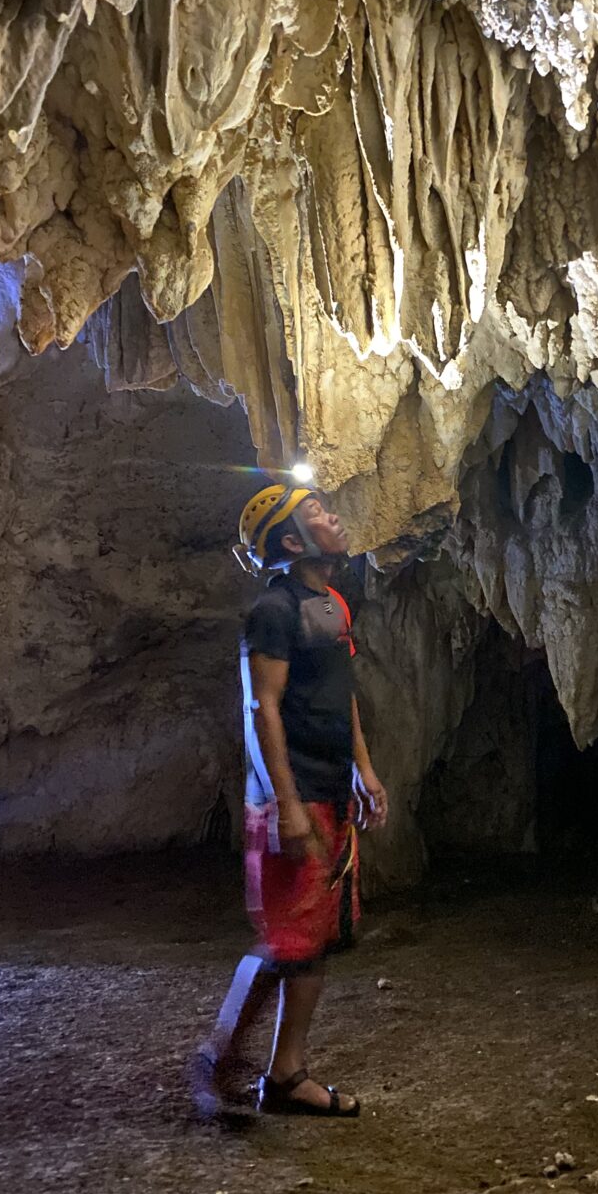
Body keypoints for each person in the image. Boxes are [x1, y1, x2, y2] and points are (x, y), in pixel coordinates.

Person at [193, 473, 387, 1120]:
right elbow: (263, 707)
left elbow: (342, 692)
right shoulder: (272, 611)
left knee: (312, 942)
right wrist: (287, 801)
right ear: (291, 539)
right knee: (284, 940)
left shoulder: (334, 605)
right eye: (318, 512)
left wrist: (363, 770)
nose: (332, 517)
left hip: (329, 790)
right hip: (290, 797)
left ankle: (285, 1076)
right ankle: (219, 1059)